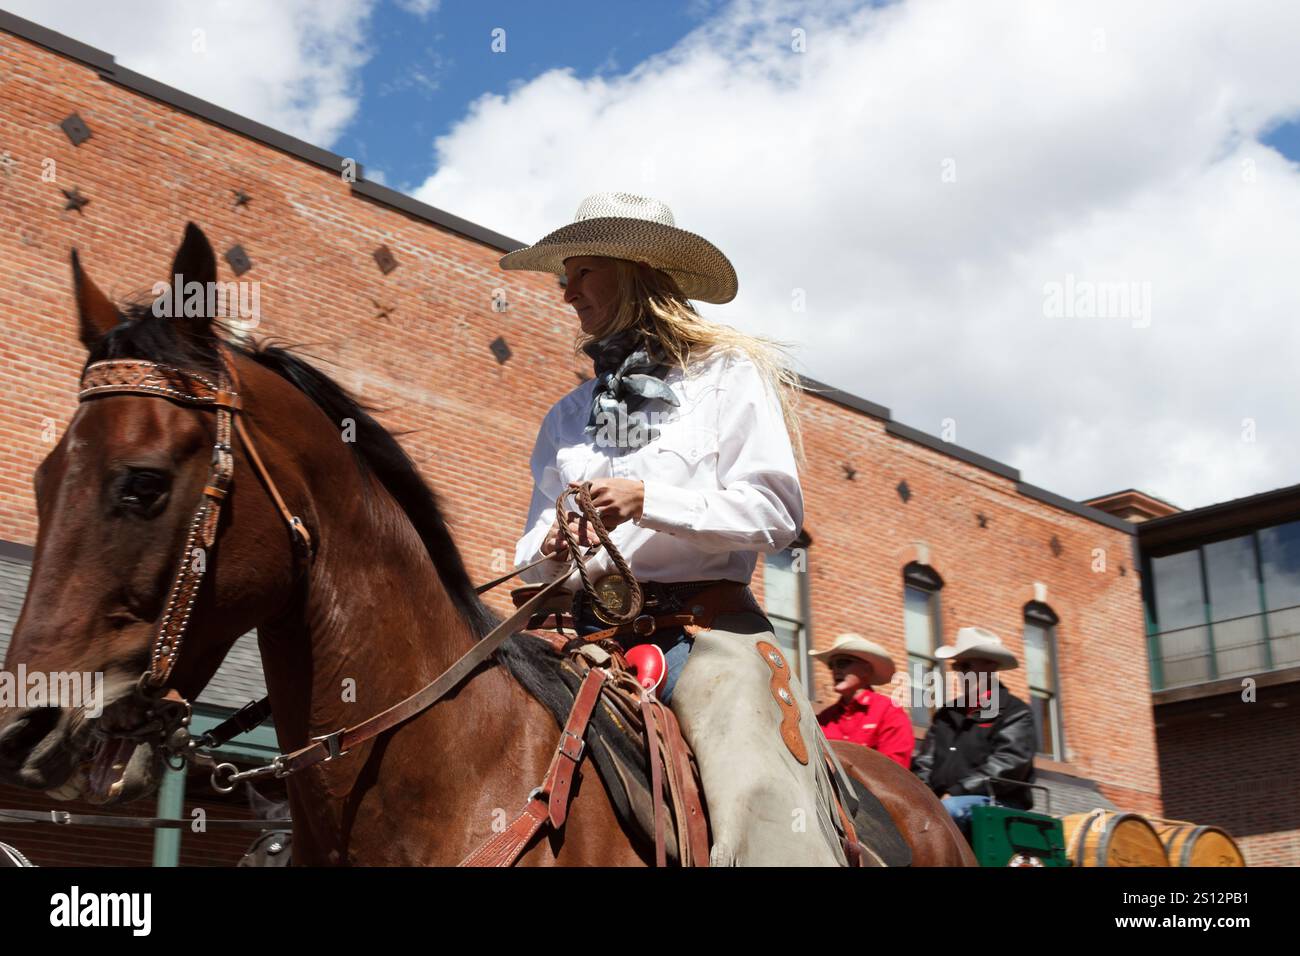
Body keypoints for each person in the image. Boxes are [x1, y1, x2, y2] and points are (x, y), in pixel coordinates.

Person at [503, 191, 848, 866]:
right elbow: (529, 553)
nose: (567, 293)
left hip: (705, 635)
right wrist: (547, 551)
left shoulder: (725, 377)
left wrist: (648, 500)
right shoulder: (567, 415)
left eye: (582, 273)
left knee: (759, 801)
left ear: (635, 270)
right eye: (563, 277)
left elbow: (777, 515)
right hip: (578, 638)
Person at [911, 627, 1036, 840]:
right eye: (956, 666)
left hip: (995, 801)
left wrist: (957, 791)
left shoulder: (1015, 712)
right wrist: (924, 795)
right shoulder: (946, 714)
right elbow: (924, 762)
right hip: (942, 801)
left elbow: (1007, 764)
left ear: (991, 666)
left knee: (949, 810)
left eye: (966, 665)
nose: (959, 673)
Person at [811, 633, 913, 769]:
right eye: (832, 665)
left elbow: (894, 772)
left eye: (842, 663)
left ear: (866, 670)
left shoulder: (889, 712)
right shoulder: (824, 719)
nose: (835, 670)